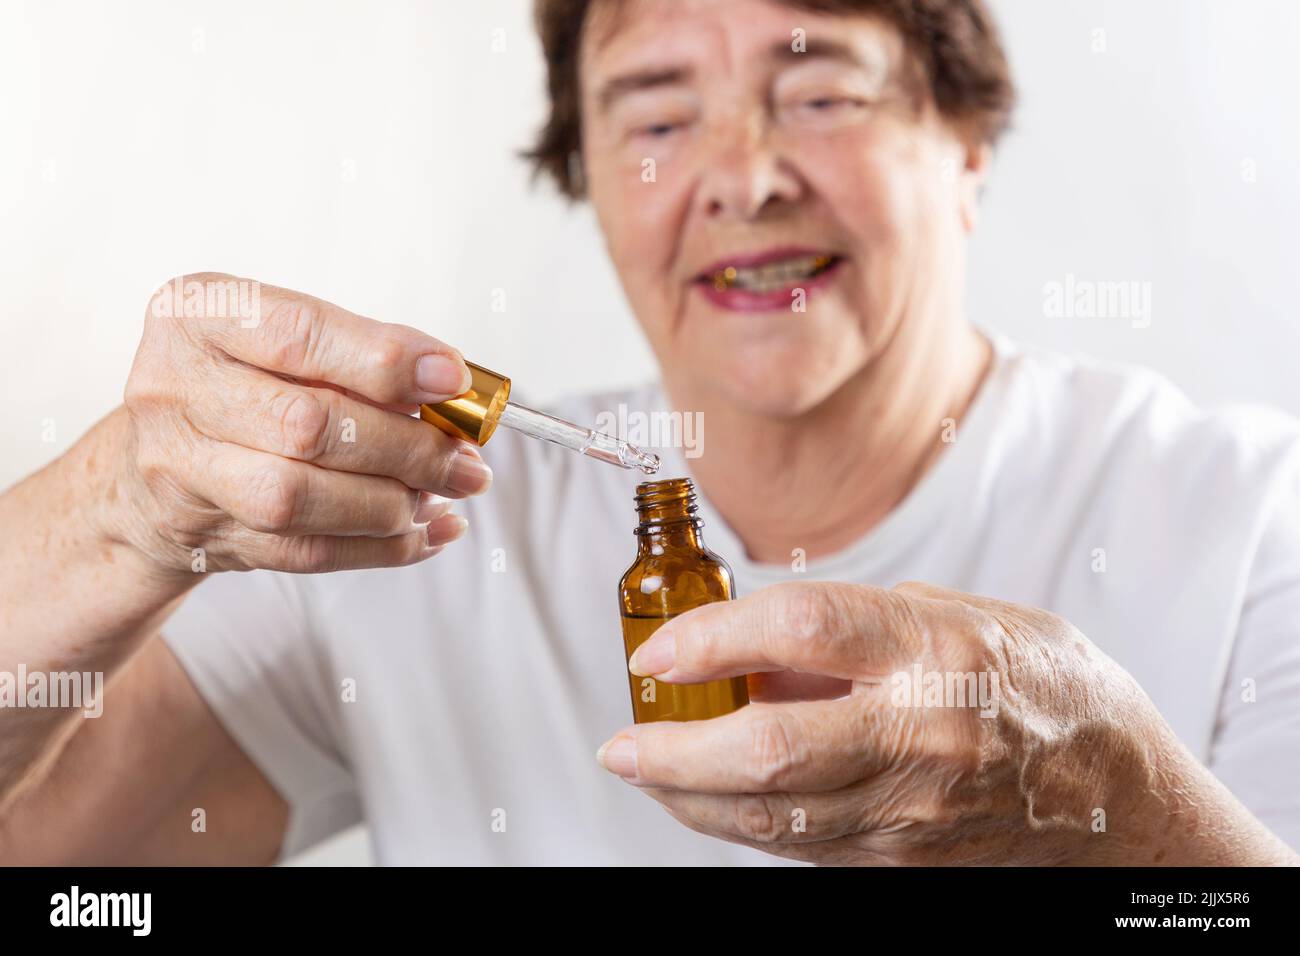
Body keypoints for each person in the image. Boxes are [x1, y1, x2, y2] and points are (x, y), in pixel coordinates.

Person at [1, 0, 1296, 866]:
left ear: (966, 143)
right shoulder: (419, 528)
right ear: (587, 175)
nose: (742, 174)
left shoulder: (1248, 519)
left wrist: (1114, 808)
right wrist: (109, 513)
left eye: (822, 95)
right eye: (660, 118)